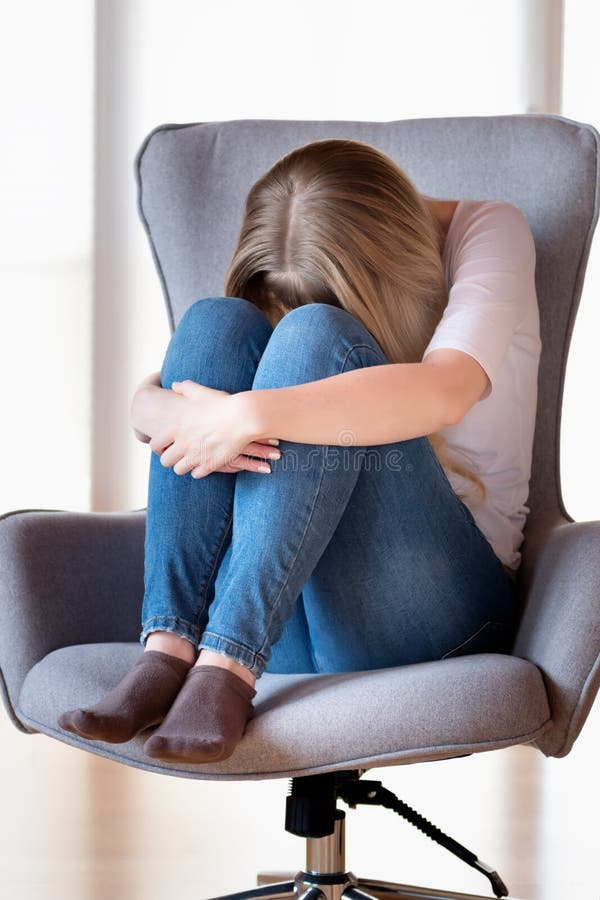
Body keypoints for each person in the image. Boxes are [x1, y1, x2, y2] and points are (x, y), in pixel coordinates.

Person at [57, 138, 541, 765]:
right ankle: (169, 650)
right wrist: (147, 407)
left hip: (435, 616)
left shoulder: (490, 230)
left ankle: (227, 662)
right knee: (215, 325)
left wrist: (248, 413)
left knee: (318, 337)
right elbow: (186, 391)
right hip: (277, 614)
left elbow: (447, 391)